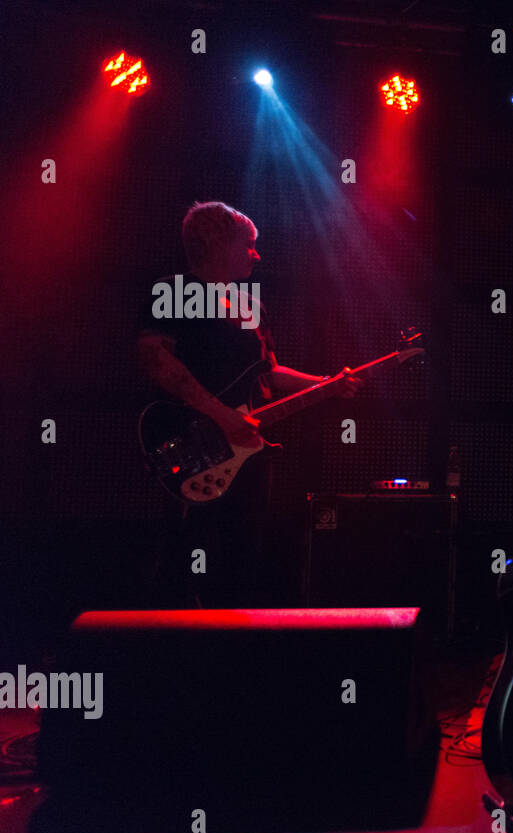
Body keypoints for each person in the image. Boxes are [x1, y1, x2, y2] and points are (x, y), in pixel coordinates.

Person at [138, 201, 360, 606]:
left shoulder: (250, 307)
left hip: (246, 452)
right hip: (195, 447)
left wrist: (328, 384)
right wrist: (220, 416)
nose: (256, 254)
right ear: (218, 243)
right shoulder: (173, 292)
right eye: (249, 244)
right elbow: (156, 361)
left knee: (240, 560)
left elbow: (268, 374)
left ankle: (230, 651)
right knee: (184, 559)